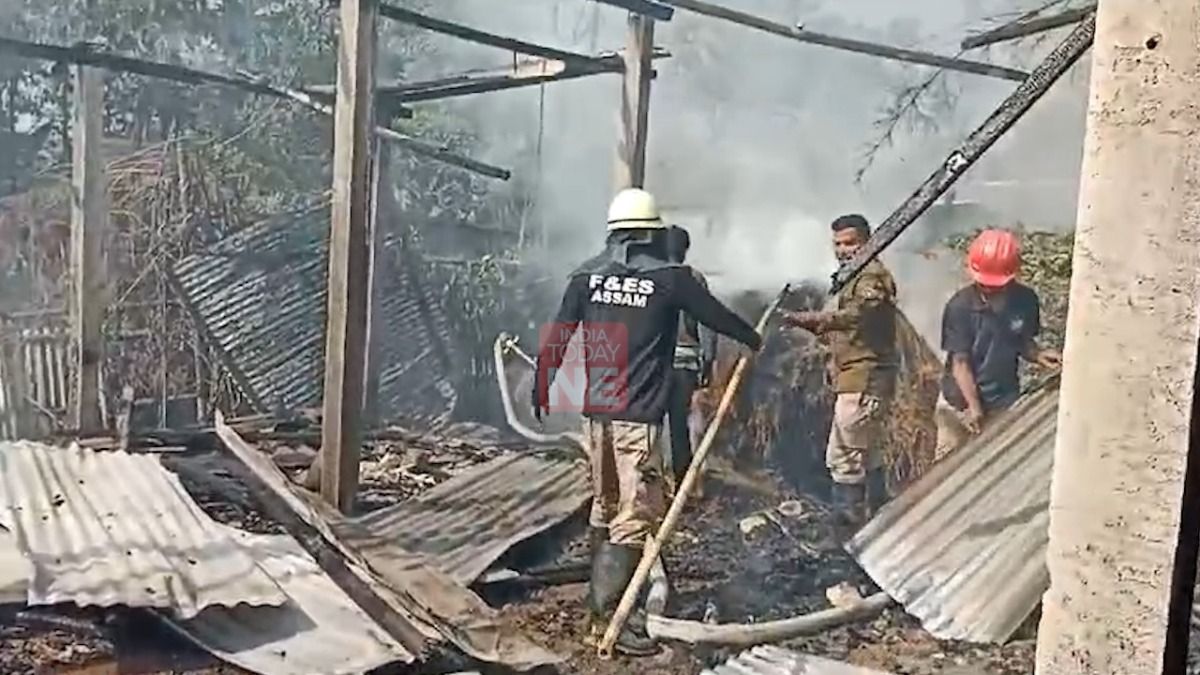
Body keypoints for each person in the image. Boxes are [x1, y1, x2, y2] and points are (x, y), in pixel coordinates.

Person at [532, 188, 762, 656]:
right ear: (652, 234)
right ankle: (615, 617)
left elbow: (558, 336)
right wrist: (753, 338)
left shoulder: (586, 276)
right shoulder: (671, 280)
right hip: (639, 419)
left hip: (596, 415)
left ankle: (598, 608)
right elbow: (717, 317)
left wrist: (543, 385)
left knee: (605, 505)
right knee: (635, 517)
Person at [781, 214, 898, 531]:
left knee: (843, 456)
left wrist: (813, 319)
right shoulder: (852, 276)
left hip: (864, 377)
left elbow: (860, 314)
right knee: (867, 453)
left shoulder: (870, 277)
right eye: (838, 244)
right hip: (855, 375)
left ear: (867, 242)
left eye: (850, 243)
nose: (843, 250)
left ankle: (849, 528)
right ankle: (878, 522)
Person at [935, 229, 1061, 459]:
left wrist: (1039, 355)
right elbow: (960, 364)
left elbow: (1022, 341)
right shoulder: (960, 307)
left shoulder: (1025, 300)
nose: (989, 289)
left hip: (1003, 399)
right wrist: (974, 408)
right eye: (984, 284)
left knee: (1000, 460)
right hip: (959, 404)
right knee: (950, 466)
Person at [663, 225, 717, 493]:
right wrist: (708, 360)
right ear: (685, 250)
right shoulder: (694, 279)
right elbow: (708, 323)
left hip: (653, 364)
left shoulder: (647, 276)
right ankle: (683, 485)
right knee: (679, 426)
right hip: (685, 364)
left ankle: (654, 485)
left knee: (649, 425)